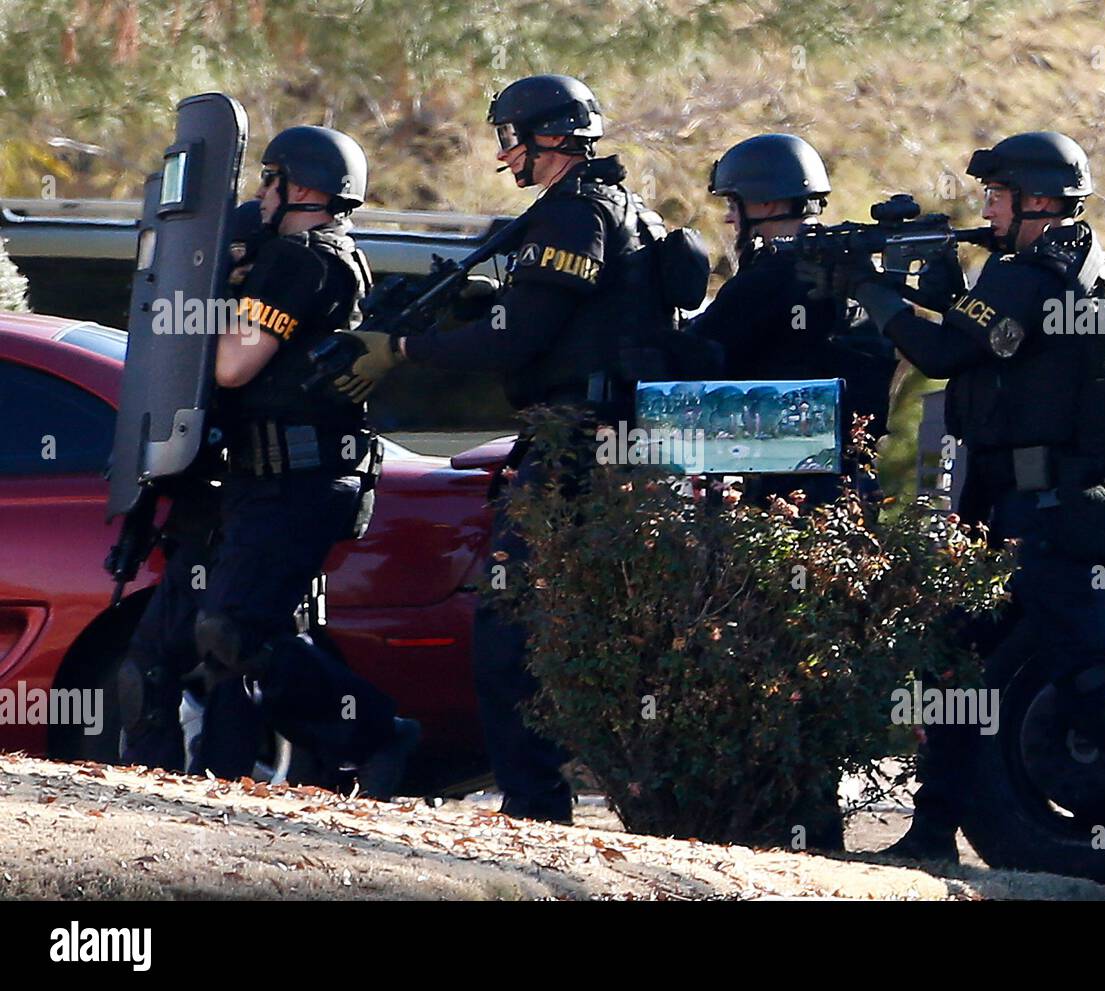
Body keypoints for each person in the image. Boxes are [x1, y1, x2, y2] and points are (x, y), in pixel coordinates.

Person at [837, 131, 1105, 900]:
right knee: (958, 662)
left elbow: (944, 353)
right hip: (1026, 505)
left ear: (1035, 200)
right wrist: (923, 280)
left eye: (996, 195)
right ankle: (932, 829)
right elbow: (993, 332)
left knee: (1090, 679)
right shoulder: (1077, 270)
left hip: (1045, 513)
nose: (987, 208)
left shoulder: (1034, 274)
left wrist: (869, 291)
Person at [330, 74, 675, 822]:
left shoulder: (575, 216)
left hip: (574, 445)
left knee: (509, 631)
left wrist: (405, 347)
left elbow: (518, 336)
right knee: (573, 631)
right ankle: (583, 801)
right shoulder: (609, 210)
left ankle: (536, 806)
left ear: (545, 136)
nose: (504, 152)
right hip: (604, 443)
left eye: (509, 135)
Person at [118, 125, 418, 800]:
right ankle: (164, 800)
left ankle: (375, 731)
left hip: (297, 483)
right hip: (250, 479)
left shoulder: (304, 260)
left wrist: (215, 282)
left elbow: (231, 363)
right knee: (156, 661)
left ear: (302, 188)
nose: (260, 194)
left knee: (233, 637)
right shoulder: (291, 256)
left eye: (270, 180)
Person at [687, 133, 896, 509]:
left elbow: (696, 355)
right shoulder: (854, 269)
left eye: (735, 202)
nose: (729, 216)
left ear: (765, 203)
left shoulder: (769, 277)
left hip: (787, 488)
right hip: (855, 486)